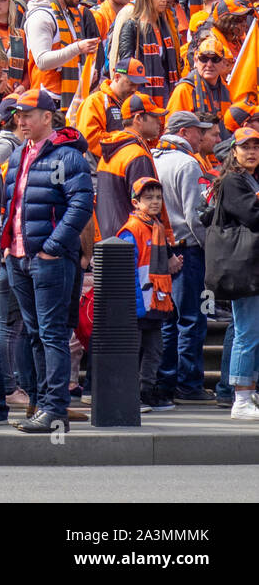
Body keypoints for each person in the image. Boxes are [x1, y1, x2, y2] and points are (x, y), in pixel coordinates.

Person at [0, 88, 93, 434]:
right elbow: (10, 204)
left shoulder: (69, 157)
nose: (20, 121)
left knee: (51, 333)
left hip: (47, 258)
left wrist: (52, 247)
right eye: (18, 116)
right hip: (22, 257)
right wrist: (8, 244)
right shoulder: (19, 155)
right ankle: (44, 404)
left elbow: (81, 206)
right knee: (37, 333)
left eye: (27, 115)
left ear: (47, 117)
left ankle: (54, 408)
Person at [151, 110, 213, 404]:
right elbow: (195, 216)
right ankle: (188, 385)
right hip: (187, 249)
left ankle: (166, 382)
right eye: (199, 130)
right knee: (191, 319)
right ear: (186, 132)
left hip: (160, 248)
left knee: (167, 319)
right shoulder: (188, 164)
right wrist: (209, 249)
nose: (202, 136)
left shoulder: (152, 156)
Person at [112, 176, 179, 411]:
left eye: (158, 198)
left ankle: (146, 390)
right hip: (139, 303)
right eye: (148, 198)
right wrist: (134, 305)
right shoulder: (131, 231)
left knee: (155, 348)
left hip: (156, 302)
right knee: (136, 349)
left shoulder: (156, 227)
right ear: (135, 202)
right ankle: (131, 394)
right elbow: (127, 272)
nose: (155, 202)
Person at [210, 127, 259, 420]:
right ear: (234, 151)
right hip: (242, 268)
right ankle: (240, 397)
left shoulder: (249, 179)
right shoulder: (232, 181)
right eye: (246, 147)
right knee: (246, 333)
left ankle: (249, 391)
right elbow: (252, 215)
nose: (251, 151)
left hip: (251, 266)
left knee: (253, 332)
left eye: (255, 146)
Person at [22, 0, 99, 114]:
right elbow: (42, 61)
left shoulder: (70, 14)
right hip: (48, 103)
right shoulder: (41, 16)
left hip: (71, 101)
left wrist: (85, 72)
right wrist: (78, 48)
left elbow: (68, 59)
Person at [95, 92, 165, 240]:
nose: (160, 122)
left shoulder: (110, 150)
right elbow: (149, 208)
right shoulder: (137, 155)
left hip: (109, 241)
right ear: (138, 119)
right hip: (135, 243)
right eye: (155, 117)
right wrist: (167, 252)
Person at [116, 0, 181, 109]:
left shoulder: (164, 26)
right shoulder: (132, 25)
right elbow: (126, 62)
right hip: (140, 90)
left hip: (166, 90)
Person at [167, 34, 230, 121]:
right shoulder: (184, 90)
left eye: (215, 59)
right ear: (196, 60)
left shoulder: (227, 89)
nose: (209, 64)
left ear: (223, 63)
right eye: (204, 58)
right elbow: (173, 128)